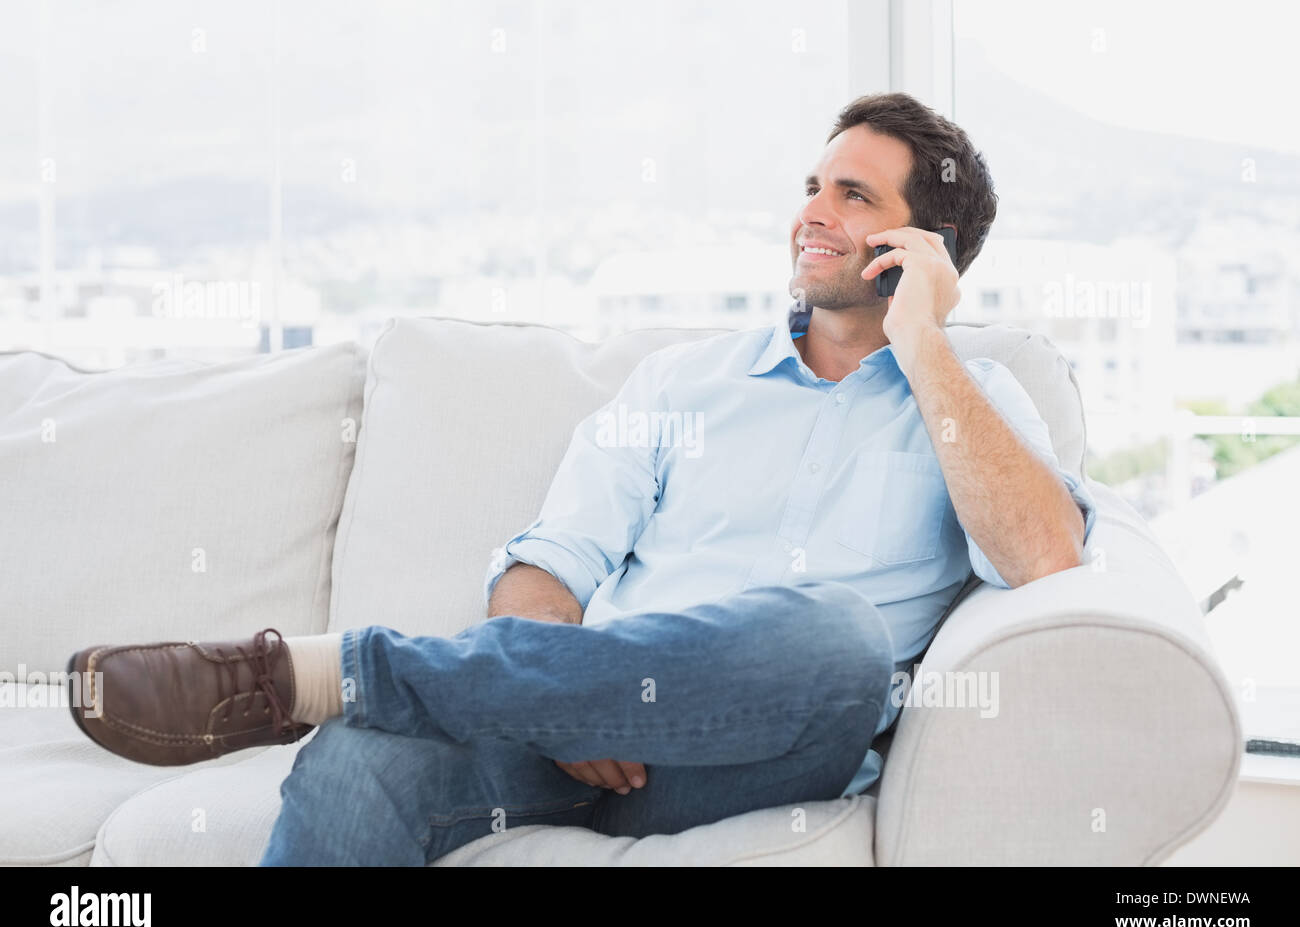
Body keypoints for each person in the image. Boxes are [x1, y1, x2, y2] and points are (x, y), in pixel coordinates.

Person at [68, 91, 1096, 865]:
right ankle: (349, 690)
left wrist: (921, 340)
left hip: (761, 745)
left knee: (837, 636)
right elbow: (548, 567)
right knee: (356, 757)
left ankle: (332, 668)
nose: (811, 213)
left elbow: (1042, 552)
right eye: (811, 186)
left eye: (853, 195)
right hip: (567, 736)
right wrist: (579, 703)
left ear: (925, 246)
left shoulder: (975, 398)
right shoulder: (684, 382)